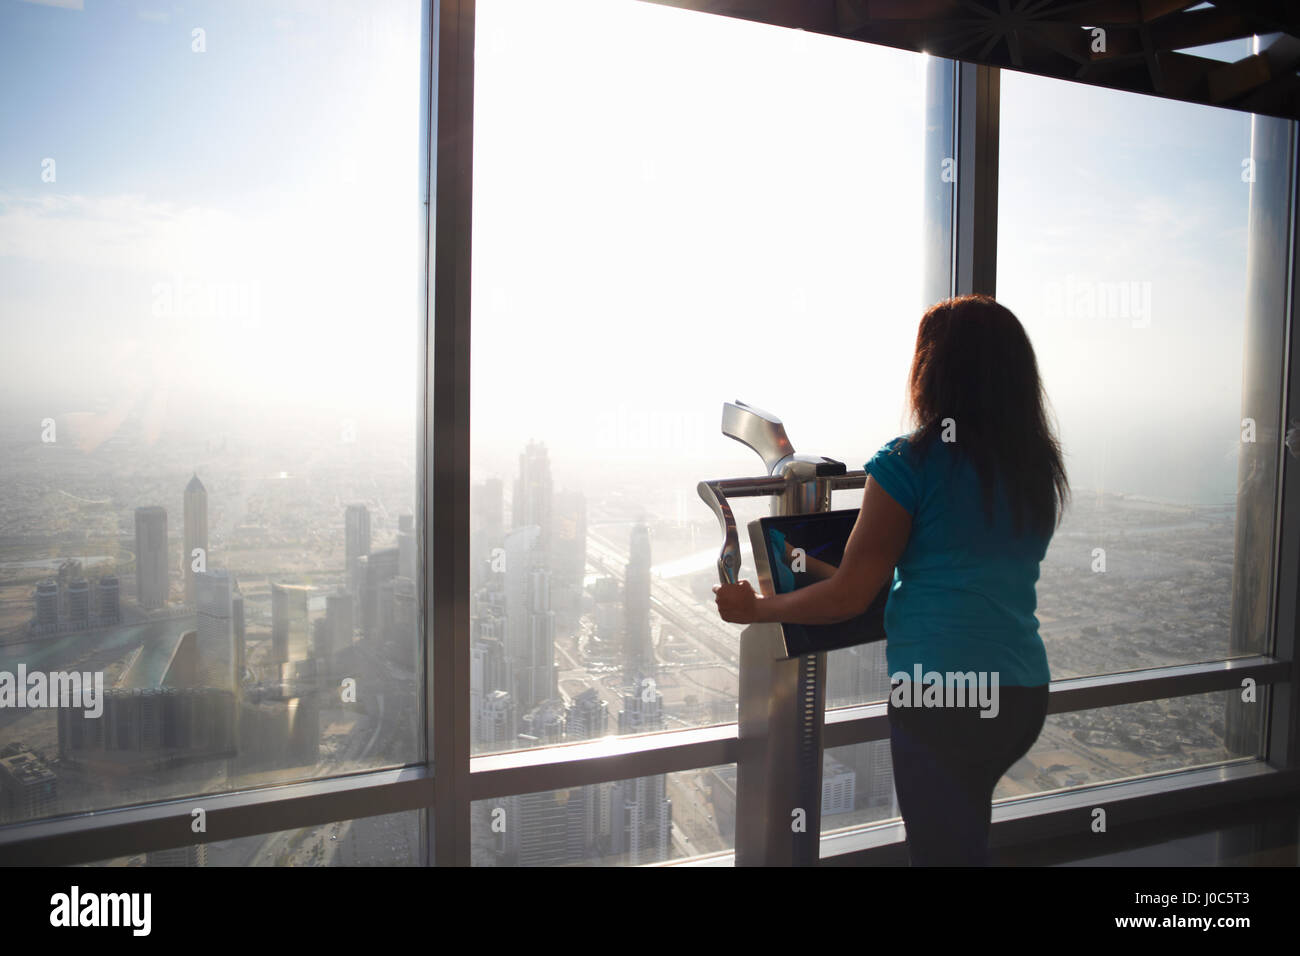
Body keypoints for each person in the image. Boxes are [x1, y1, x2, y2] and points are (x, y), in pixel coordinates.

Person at [713, 294, 1069, 866]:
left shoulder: (907, 465)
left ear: (934, 371)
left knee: (940, 853)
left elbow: (852, 595)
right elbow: (942, 570)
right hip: (1020, 691)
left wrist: (755, 609)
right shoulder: (1032, 469)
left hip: (942, 697)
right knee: (961, 841)